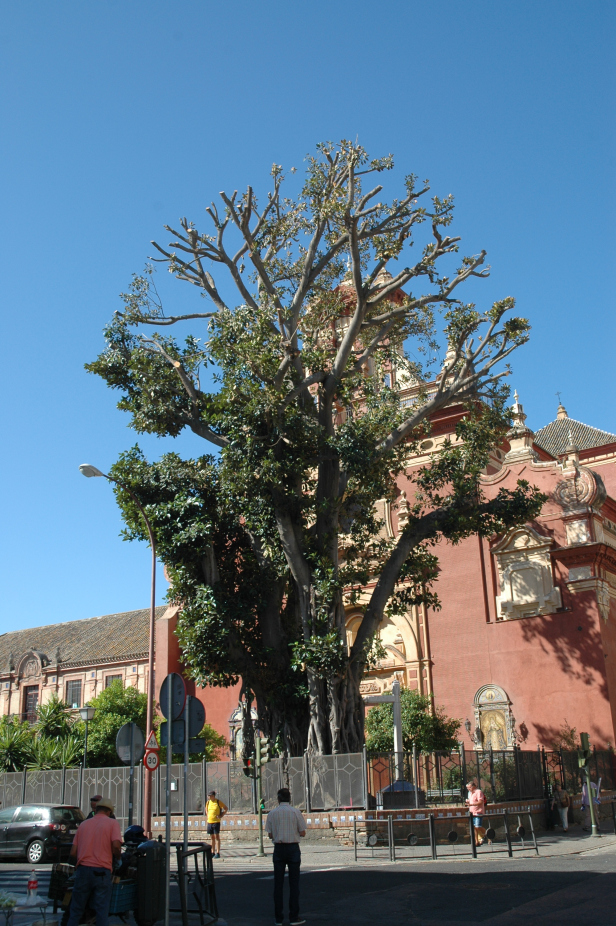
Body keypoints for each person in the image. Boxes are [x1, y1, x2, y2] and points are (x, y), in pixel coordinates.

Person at [67, 797, 122, 926]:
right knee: (101, 910)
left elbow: (73, 852)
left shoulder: (83, 825)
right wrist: (118, 858)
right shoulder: (112, 823)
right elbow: (116, 846)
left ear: (96, 810)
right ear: (109, 812)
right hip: (102, 871)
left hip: (82, 871)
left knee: (76, 910)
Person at [266, 787, 306, 926]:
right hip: (293, 847)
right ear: (290, 798)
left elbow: (270, 834)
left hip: (278, 848)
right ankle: (294, 916)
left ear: (278, 799)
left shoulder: (272, 813)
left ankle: (278, 918)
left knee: (278, 884)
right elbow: (302, 832)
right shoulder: (295, 812)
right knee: (294, 884)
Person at [205, 790, 227, 859]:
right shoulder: (208, 802)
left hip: (216, 822)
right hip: (210, 822)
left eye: (211, 796)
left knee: (217, 836)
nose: (210, 797)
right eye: (209, 796)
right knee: (212, 837)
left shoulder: (218, 802)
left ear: (214, 796)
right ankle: (212, 851)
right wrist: (207, 814)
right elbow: (206, 808)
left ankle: (218, 852)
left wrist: (221, 815)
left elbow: (225, 808)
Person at [465, 780, 487, 845]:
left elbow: (480, 801)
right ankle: (476, 841)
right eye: (468, 788)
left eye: (469, 787)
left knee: (478, 826)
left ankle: (488, 834)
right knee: (474, 827)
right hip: (472, 812)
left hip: (478, 811)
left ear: (473, 786)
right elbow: (472, 801)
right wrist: (468, 802)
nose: (468, 789)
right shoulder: (470, 793)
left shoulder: (478, 792)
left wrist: (472, 804)